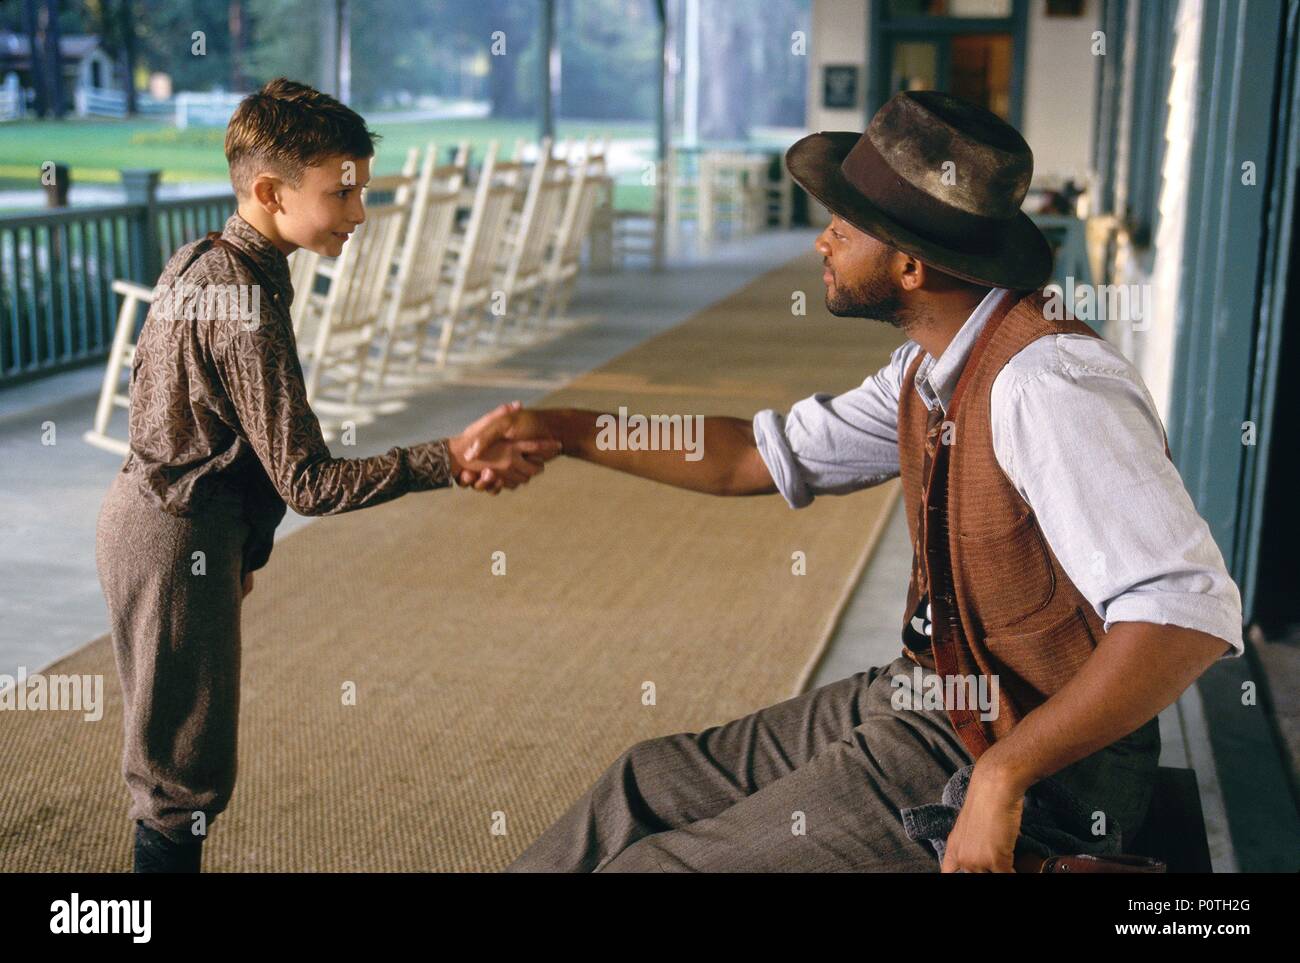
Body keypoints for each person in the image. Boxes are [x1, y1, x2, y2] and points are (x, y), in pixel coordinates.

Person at [459, 90, 1244, 872]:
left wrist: (1003, 777)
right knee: (642, 782)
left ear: (909, 263)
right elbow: (751, 456)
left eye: (843, 226)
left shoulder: (1048, 385)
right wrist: (563, 431)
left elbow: (1185, 614)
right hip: (937, 695)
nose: (821, 244)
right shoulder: (931, 367)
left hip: (1042, 761)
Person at [95, 78, 560, 873]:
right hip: (173, 539)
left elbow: (201, 428)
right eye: (342, 192)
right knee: (182, 783)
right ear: (271, 192)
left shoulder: (212, 258)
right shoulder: (240, 295)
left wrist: (240, 549)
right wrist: (446, 457)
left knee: (183, 766)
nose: (358, 212)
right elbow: (309, 480)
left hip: (176, 529)